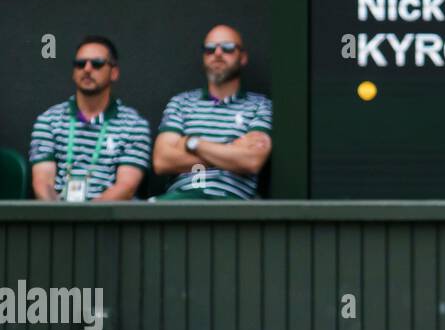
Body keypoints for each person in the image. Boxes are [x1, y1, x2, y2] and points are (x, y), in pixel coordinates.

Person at [152, 24, 272, 200]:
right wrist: (230, 150)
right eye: (210, 49)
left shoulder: (260, 105)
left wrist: (191, 143)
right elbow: (162, 161)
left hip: (230, 203)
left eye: (228, 48)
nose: (217, 53)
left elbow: (252, 161)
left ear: (243, 57)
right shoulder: (181, 102)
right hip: (178, 200)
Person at [29, 36, 152, 201]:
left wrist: (85, 220)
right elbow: (42, 183)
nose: (87, 69)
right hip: (57, 218)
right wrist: (60, 219)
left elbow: (126, 187)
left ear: (114, 72)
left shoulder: (134, 125)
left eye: (97, 63)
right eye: (80, 64)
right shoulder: (48, 120)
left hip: (110, 220)